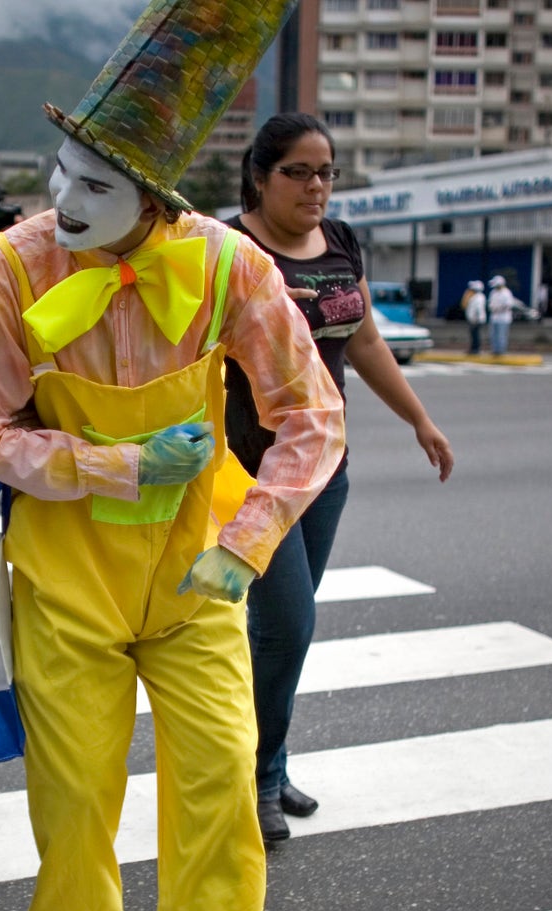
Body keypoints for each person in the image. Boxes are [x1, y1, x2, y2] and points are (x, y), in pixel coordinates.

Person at [0, 1, 343, 911]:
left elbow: (313, 417)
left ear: (156, 202)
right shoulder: (5, 270)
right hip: (66, 566)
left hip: (192, 568)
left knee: (220, 778)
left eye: (98, 186)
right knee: (73, 783)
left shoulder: (227, 266)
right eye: (62, 172)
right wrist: (113, 465)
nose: (65, 201)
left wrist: (247, 542)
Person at [227, 112, 454, 846]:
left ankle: (273, 759)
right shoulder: (228, 246)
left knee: (282, 636)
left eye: (326, 171)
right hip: (252, 473)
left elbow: (362, 340)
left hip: (328, 467)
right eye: (299, 171)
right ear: (261, 177)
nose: (316, 186)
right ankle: (257, 777)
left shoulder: (343, 242)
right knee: (288, 625)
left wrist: (420, 419)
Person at [487, 274, 515, 357]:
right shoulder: (493, 292)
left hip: (503, 318)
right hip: (494, 317)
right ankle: (495, 351)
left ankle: (501, 352)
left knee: (501, 335)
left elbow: (509, 305)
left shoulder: (506, 293)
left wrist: (499, 309)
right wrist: (492, 308)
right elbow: (490, 303)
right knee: (493, 335)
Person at [461, 279, 487, 354]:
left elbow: (478, 309)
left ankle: (476, 349)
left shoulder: (479, 297)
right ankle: (473, 348)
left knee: (475, 335)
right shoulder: (473, 296)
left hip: (476, 320)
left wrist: (476, 319)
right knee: (473, 335)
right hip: (473, 319)